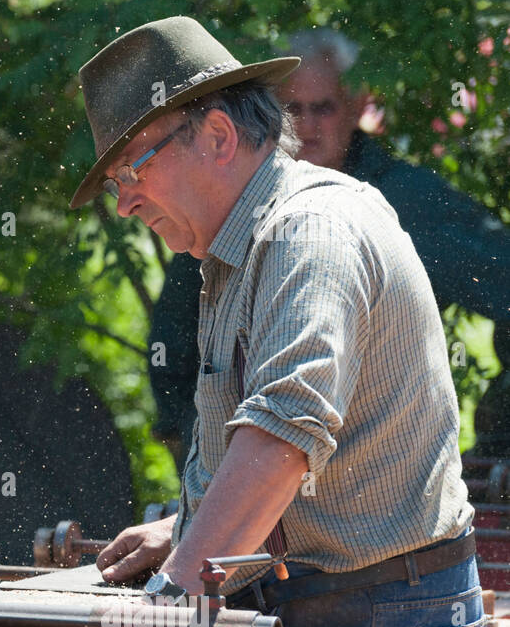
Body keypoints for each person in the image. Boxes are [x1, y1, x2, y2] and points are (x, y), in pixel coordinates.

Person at [70, 16, 485, 627]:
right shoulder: (237, 248)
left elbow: (283, 438)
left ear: (219, 136)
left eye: (134, 169)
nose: (125, 202)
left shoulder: (309, 235)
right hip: (338, 620)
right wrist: (190, 526)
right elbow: (288, 450)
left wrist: (169, 602)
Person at [149, 29, 510, 464]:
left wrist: (496, 443)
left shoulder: (407, 200)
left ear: (358, 105)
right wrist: (204, 458)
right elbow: (172, 347)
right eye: (293, 109)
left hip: (379, 482)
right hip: (256, 472)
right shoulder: (231, 204)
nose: (308, 126)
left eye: (323, 108)